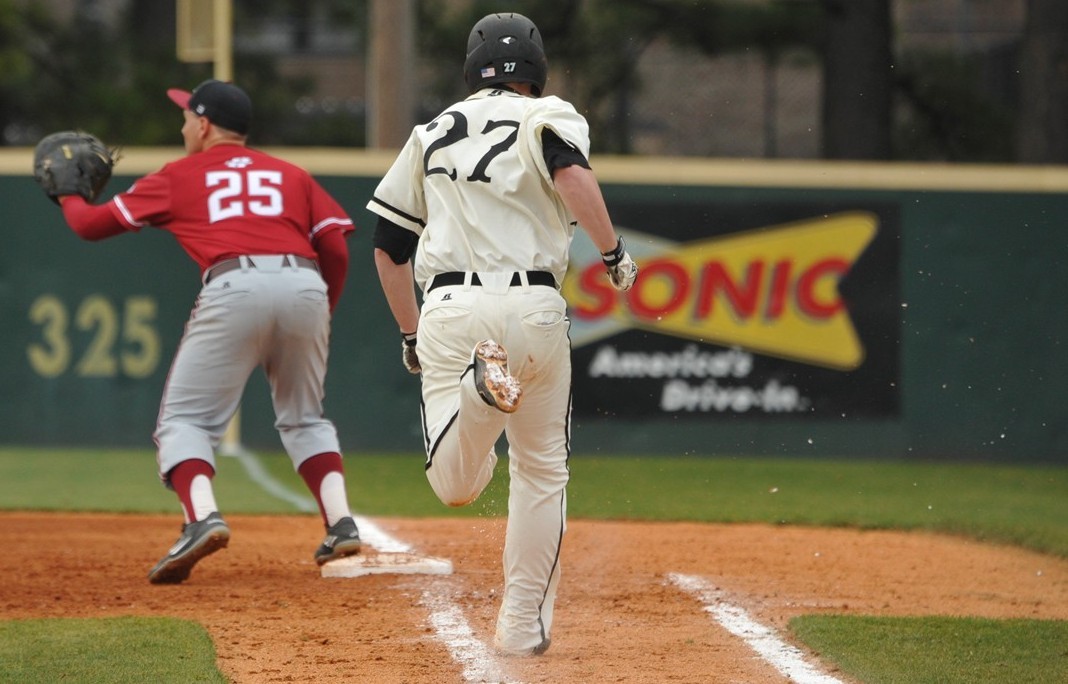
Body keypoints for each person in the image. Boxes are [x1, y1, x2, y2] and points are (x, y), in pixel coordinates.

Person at [368, 12, 637, 656]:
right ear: (536, 70)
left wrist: (410, 334)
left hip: (450, 306)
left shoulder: (431, 132)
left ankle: (477, 394)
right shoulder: (550, 114)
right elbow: (572, 176)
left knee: (455, 486)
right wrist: (612, 253)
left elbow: (388, 247)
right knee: (540, 472)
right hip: (534, 306)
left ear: (471, 69)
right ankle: (521, 627)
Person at [48, 79, 363, 583]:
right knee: (305, 417)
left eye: (185, 118)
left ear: (203, 123)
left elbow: (89, 225)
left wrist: (68, 194)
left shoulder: (179, 174)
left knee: (185, 420)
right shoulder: (290, 174)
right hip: (304, 284)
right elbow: (335, 248)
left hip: (234, 282)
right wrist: (323, 309)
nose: (182, 128)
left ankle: (201, 518)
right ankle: (340, 522)